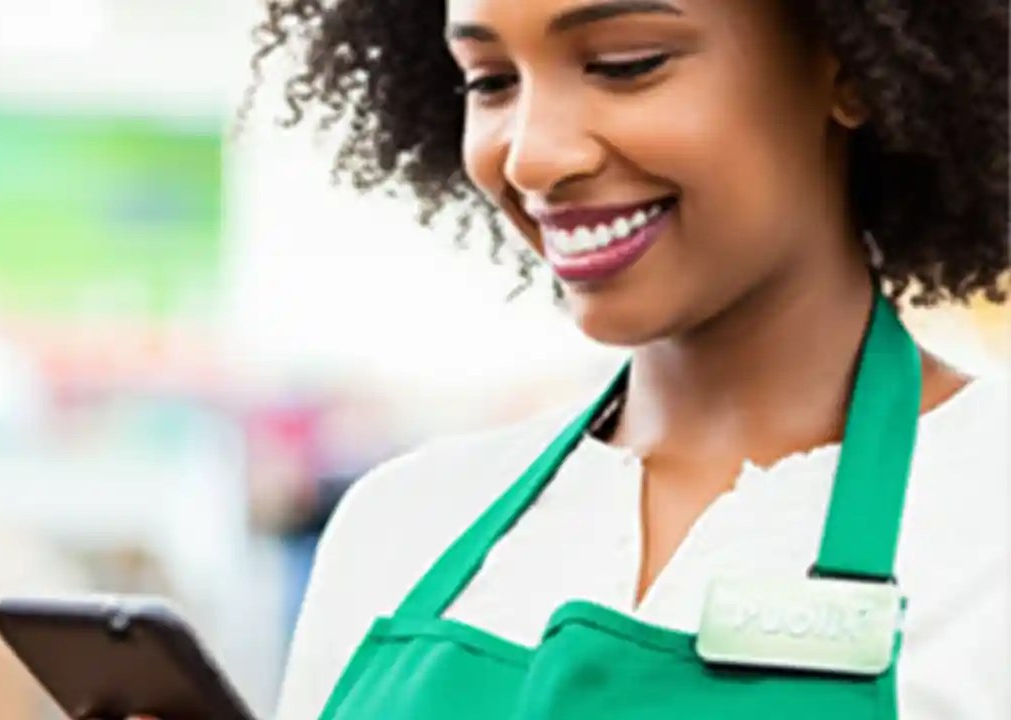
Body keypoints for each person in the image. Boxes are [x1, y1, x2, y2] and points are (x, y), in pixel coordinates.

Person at [246, 0, 1009, 718]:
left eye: (625, 65)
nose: (533, 158)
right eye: (491, 82)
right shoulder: (397, 526)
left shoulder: (989, 520)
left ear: (846, 69)